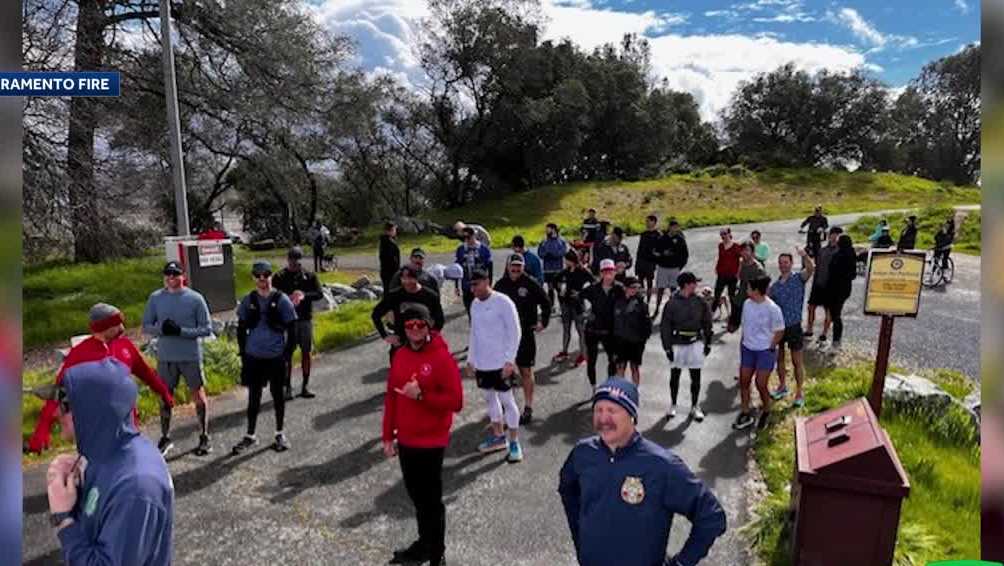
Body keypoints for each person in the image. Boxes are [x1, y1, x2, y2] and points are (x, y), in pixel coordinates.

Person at [558, 378, 727, 566]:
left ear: (632, 416)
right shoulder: (583, 453)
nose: (603, 418)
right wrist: (580, 536)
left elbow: (712, 516)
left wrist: (681, 563)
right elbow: (568, 489)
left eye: (612, 410)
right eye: (598, 410)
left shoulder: (661, 465)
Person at [34, 358, 174, 566]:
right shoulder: (103, 454)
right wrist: (73, 490)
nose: (55, 413)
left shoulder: (136, 486)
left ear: (91, 412)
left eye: (64, 406)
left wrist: (63, 518)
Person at [26, 303, 175, 454]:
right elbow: (57, 394)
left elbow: (146, 373)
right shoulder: (78, 354)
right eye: (117, 323)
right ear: (106, 327)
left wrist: (163, 392)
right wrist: (41, 433)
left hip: (128, 427)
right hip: (96, 431)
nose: (122, 327)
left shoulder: (125, 346)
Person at [382, 305, 463, 566]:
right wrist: (387, 436)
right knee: (416, 496)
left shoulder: (442, 358)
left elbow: (456, 401)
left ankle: (437, 553)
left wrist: (422, 396)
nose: (415, 329)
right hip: (406, 439)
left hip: (431, 441)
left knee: (430, 501)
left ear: (428, 326)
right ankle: (424, 544)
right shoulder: (401, 355)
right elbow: (392, 398)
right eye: (409, 325)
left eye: (420, 324)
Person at [142, 260, 213, 456]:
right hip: (166, 357)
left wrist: (181, 331)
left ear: (183, 276)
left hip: (189, 356)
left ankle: (204, 435)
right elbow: (146, 325)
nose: (171, 278)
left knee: (198, 395)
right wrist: (161, 329)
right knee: (165, 397)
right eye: (168, 274)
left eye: (175, 274)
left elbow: (207, 328)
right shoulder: (155, 298)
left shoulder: (195, 299)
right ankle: (165, 436)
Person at [233, 261, 298, 454]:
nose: (262, 278)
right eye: (258, 275)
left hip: (275, 357)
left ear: (271, 276)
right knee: (254, 397)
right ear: (253, 278)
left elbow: (292, 328)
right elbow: (241, 327)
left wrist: (287, 353)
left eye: (266, 274)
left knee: (278, 395)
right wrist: (243, 352)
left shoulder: (282, 299)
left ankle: (279, 433)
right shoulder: (249, 299)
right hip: (254, 356)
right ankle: (250, 435)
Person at [467, 269, 524, 462]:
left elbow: (515, 332)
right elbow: (474, 332)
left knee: (507, 401)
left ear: (487, 281)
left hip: (501, 363)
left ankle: (515, 442)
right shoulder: (474, 305)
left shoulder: (503, 302)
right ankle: (499, 437)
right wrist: (471, 358)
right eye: (471, 285)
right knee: (489, 399)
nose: (473, 289)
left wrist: (510, 360)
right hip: (483, 363)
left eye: (476, 284)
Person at [494, 253, 552, 424]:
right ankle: (508, 405)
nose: (516, 269)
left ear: (523, 267)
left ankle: (528, 407)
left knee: (526, 371)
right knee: (505, 371)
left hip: (525, 334)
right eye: (513, 266)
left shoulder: (530, 282)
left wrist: (544, 321)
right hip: (505, 336)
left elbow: (546, 302)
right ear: (507, 266)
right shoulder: (500, 285)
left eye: (519, 266)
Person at [733, 275, 785, 431]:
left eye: (748, 287)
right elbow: (745, 325)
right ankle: (745, 411)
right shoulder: (747, 304)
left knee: (760, 384)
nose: (746, 289)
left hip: (764, 351)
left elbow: (780, 330)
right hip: (748, 348)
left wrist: (771, 346)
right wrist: (743, 342)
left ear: (756, 290)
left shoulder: (773, 309)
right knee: (744, 381)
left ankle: (767, 409)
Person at [272, 247, 325, 400]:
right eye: (292, 260)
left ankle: (305, 385)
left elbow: (319, 293)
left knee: (306, 352)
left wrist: (303, 295)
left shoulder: (309, 276)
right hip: (287, 321)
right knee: (287, 355)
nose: (295, 263)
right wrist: (285, 297)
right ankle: (287, 387)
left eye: (298, 260)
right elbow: (272, 295)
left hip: (305, 319)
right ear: (288, 260)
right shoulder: (280, 276)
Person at [660, 272, 713, 421]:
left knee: (695, 376)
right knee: (675, 376)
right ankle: (673, 405)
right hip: (678, 343)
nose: (696, 285)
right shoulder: (672, 303)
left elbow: (707, 322)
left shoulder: (700, 301)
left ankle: (695, 406)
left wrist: (708, 342)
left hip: (695, 342)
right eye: (694, 283)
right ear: (686, 285)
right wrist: (667, 347)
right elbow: (665, 326)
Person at [768, 249, 814, 408]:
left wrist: (805, 255)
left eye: (785, 262)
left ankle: (799, 392)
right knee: (779, 359)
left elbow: (811, 269)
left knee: (797, 362)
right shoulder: (774, 286)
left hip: (794, 326)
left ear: (791, 263)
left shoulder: (798, 278)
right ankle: (782, 386)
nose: (783, 266)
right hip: (779, 328)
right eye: (780, 263)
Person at [372, 265, 446, 361]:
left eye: (410, 278)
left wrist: (430, 336)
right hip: (401, 345)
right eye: (404, 278)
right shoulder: (394, 295)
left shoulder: (430, 295)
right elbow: (376, 314)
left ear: (417, 278)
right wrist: (385, 335)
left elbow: (439, 320)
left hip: (424, 346)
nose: (407, 281)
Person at [580, 259, 625, 392]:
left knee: (613, 360)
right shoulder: (593, 288)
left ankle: (609, 386)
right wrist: (585, 313)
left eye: (610, 271)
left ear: (614, 272)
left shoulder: (619, 288)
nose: (608, 274)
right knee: (591, 360)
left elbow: (630, 300)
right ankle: (594, 387)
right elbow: (578, 297)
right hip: (593, 330)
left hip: (610, 331)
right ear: (600, 273)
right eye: (605, 272)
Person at [553, 250, 595, 366]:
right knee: (566, 328)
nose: (564, 262)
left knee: (580, 329)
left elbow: (594, 283)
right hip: (566, 304)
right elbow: (555, 280)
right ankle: (565, 352)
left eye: (566, 260)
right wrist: (559, 290)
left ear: (571, 260)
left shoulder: (582, 271)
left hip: (578, 305)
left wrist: (582, 293)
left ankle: (583, 354)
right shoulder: (565, 272)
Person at [805, 227, 842, 342]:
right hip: (818, 284)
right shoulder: (822, 250)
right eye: (833, 234)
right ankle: (809, 329)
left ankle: (824, 333)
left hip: (831, 287)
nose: (834, 237)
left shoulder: (841, 252)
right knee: (811, 307)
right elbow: (817, 266)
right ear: (829, 235)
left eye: (837, 235)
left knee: (828, 311)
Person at [613, 276, 651, 386]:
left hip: (635, 342)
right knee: (620, 367)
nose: (635, 289)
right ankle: (620, 391)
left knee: (634, 368)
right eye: (632, 287)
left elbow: (647, 326)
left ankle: (635, 391)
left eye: (637, 287)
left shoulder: (642, 305)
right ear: (625, 288)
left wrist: (642, 341)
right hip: (621, 341)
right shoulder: (617, 301)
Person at [824, 235, 857, 352]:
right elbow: (853, 275)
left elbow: (832, 272)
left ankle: (836, 342)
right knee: (836, 314)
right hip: (845, 289)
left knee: (836, 315)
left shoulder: (840, 255)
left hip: (835, 290)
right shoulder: (852, 255)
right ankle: (836, 340)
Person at [651, 218, 688, 319]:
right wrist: (663, 255)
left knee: (674, 290)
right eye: (673, 227)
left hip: (674, 268)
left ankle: (674, 310)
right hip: (663, 267)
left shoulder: (680, 240)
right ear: (669, 227)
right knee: (660, 290)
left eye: (676, 227)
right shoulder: (662, 239)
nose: (675, 229)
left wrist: (679, 267)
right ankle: (657, 309)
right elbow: (655, 252)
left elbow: (685, 255)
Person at [726, 241, 767, 333]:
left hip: (752, 304)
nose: (744, 252)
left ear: (753, 252)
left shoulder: (758, 269)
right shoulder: (740, 264)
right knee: (731, 329)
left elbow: (763, 290)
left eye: (747, 250)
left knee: (750, 330)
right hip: (739, 300)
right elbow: (737, 278)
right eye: (742, 250)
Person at [455, 226, 493, 315]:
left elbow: (490, 267)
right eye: (464, 238)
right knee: (470, 310)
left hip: (481, 284)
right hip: (466, 285)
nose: (467, 240)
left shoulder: (483, 249)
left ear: (474, 235)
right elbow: (457, 268)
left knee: (483, 310)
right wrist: (456, 286)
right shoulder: (460, 250)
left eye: (469, 237)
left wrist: (490, 283)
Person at [712, 228, 741, 319]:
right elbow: (720, 258)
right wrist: (717, 267)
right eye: (721, 234)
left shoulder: (736, 246)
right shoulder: (720, 245)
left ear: (729, 234)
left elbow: (741, 260)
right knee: (717, 294)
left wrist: (739, 272)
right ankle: (711, 313)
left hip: (732, 275)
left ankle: (733, 315)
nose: (723, 236)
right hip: (722, 274)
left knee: (731, 295)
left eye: (724, 234)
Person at [538, 223, 569, 309]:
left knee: (559, 288)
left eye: (548, 229)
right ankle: (551, 307)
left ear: (553, 229)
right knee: (550, 288)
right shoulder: (544, 241)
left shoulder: (561, 241)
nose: (546, 231)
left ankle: (562, 307)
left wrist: (554, 254)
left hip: (558, 269)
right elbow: (540, 252)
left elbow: (563, 252)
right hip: (548, 270)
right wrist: (545, 255)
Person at [635, 215, 660, 308]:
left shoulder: (658, 235)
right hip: (641, 262)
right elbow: (639, 249)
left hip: (650, 263)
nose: (646, 223)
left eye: (648, 221)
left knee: (649, 282)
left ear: (654, 222)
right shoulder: (643, 234)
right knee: (640, 282)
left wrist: (656, 260)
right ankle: (641, 299)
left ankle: (649, 301)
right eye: (646, 221)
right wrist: (637, 263)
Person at [380, 222, 402, 291]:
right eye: (394, 230)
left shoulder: (383, 241)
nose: (395, 232)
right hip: (391, 272)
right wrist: (397, 271)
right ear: (390, 230)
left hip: (385, 271)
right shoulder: (389, 243)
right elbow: (392, 259)